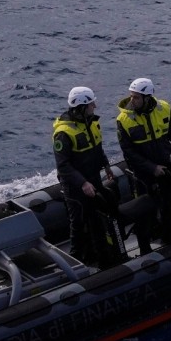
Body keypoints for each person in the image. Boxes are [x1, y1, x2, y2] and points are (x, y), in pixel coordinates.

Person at [115, 77, 171, 252]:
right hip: (142, 172)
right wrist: (152, 169)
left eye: (136, 97)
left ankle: (168, 236)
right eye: (131, 96)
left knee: (168, 201)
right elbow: (129, 153)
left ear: (147, 98)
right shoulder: (124, 120)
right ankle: (145, 248)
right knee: (144, 212)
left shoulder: (163, 109)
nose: (132, 100)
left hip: (163, 165)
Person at [52, 86, 125, 267]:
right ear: (82, 106)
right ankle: (76, 263)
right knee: (78, 224)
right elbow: (63, 166)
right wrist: (83, 183)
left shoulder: (91, 122)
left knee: (98, 220)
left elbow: (96, 147)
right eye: (92, 103)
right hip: (75, 188)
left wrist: (106, 164)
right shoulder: (63, 133)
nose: (95, 106)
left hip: (93, 179)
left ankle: (104, 256)